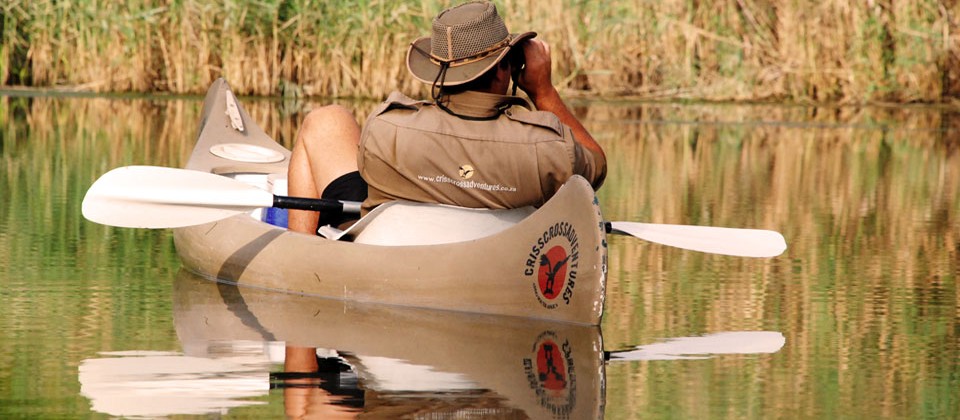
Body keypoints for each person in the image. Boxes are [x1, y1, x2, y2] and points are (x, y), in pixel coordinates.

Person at [287, 0, 606, 236]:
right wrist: (544, 92)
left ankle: (302, 256)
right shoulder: (548, 148)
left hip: (385, 256)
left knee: (326, 119)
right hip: (490, 262)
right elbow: (596, 168)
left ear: (438, 71)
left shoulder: (385, 129)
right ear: (502, 68)